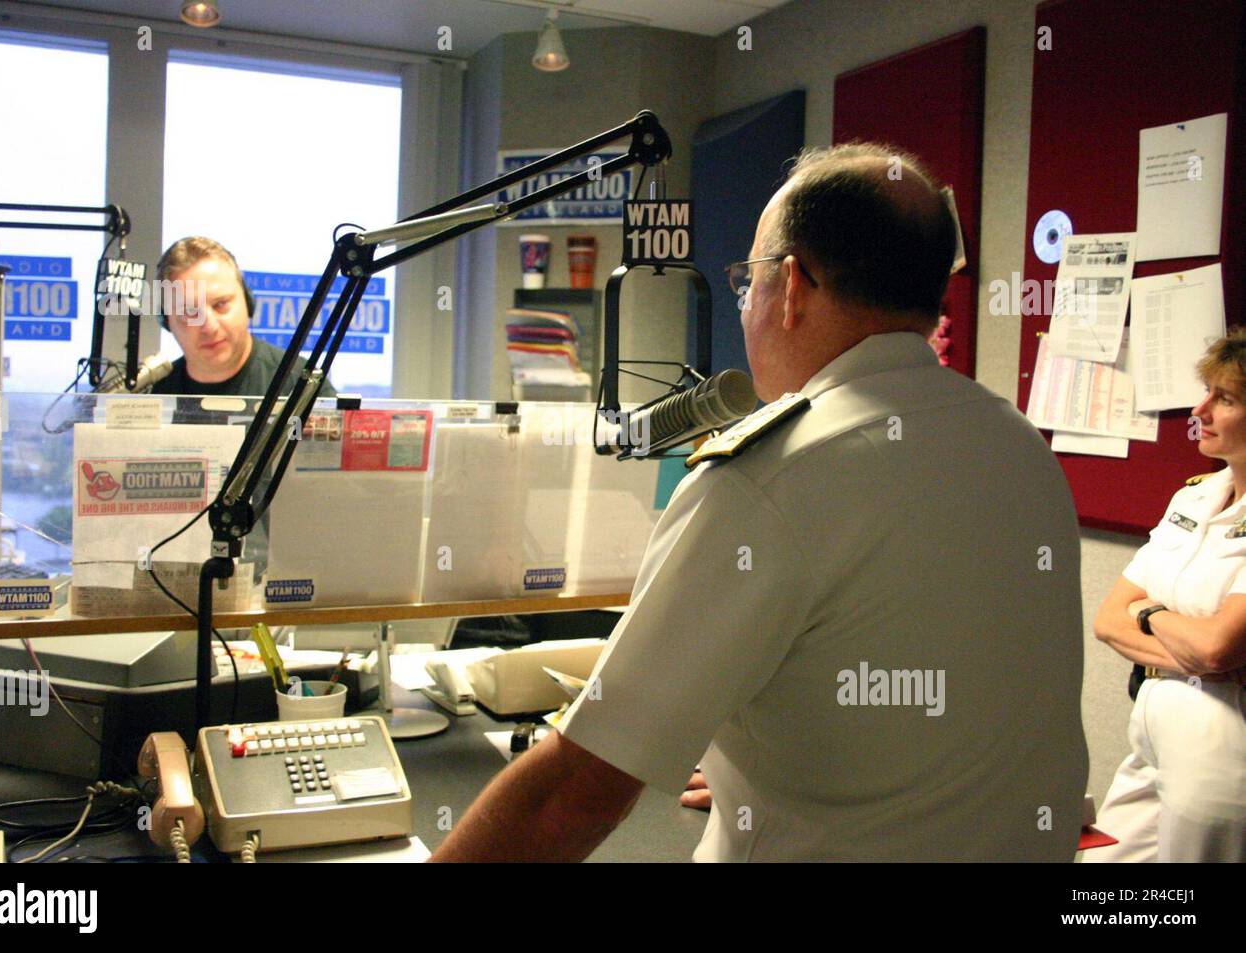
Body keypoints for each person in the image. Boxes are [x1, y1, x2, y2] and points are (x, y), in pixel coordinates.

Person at [430, 143, 1088, 863]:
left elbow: (575, 790)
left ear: (793, 285)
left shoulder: (765, 479)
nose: (745, 304)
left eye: (747, 281)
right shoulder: (1020, 446)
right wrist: (774, 767)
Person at [1086, 331, 1246, 863]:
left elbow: (1217, 650)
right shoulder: (1196, 493)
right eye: (1206, 391)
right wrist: (1173, 629)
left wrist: (1148, 612)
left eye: (1224, 398)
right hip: (1154, 716)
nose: (1200, 410)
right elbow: (1109, 619)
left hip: (1219, 734)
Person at [151, 236, 336, 398]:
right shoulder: (151, 397)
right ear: (167, 321)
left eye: (220, 304)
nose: (210, 327)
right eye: (190, 312)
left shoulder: (302, 387)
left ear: (248, 302)